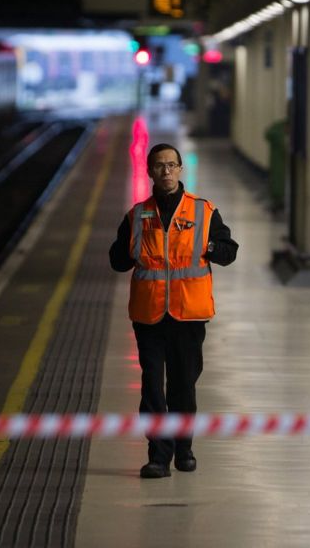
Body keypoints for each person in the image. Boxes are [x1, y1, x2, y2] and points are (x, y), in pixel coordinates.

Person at [109, 143, 239, 479]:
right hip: (149, 315)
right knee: (152, 386)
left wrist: (208, 245)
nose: (166, 171)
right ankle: (158, 455)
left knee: (183, 385)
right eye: (159, 166)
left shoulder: (203, 212)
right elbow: (117, 261)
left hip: (189, 314)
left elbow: (228, 251)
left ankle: (184, 448)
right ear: (149, 171)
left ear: (180, 169)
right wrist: (129, 250)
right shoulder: (136, 215)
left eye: (171, 165)